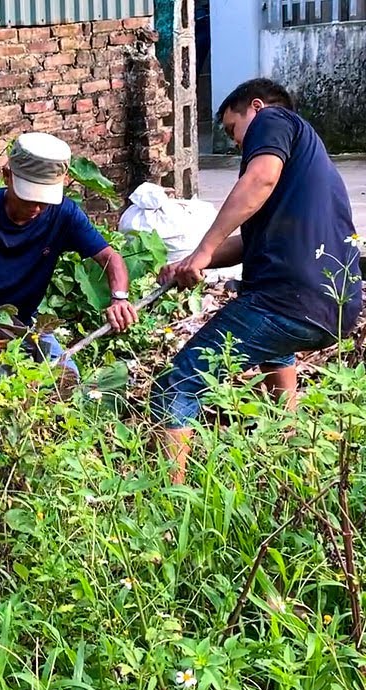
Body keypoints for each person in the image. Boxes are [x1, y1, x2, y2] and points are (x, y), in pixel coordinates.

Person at [153, 78, 361, 483]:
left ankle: (169, 503)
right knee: (276, 349)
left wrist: (203, 249)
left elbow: (259, 178)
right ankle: (294, 462)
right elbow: (248, 245)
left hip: (287, 299)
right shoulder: (304, 173)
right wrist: (193, 260)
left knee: (176, 383)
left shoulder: (274, 120)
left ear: (255, 107)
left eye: (232, 129)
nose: (234, 144)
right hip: (335, 309)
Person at [0, 132, 137, 376]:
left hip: (22, 323)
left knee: (65, 377)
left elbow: (110, 257)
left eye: (44, 201)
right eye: (28, 198)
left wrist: (119, 298)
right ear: (7, 177)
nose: (36, 208)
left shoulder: (63, 214)